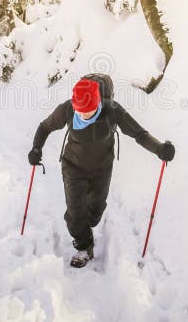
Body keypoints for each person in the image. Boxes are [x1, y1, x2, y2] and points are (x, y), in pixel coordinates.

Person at [28, 76, 175, 268]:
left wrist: (159, 149)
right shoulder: (67, 109)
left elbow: (139, 134)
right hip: (73, 167)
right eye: (80, 111)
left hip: (102, 169)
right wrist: (36, 148)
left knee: (95, 212)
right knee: (76, 213)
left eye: (89, 111)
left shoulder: (112, 110)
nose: (84, 115)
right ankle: (84, 246)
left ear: (98, 103)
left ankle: (81, 222)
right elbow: (45, 126)